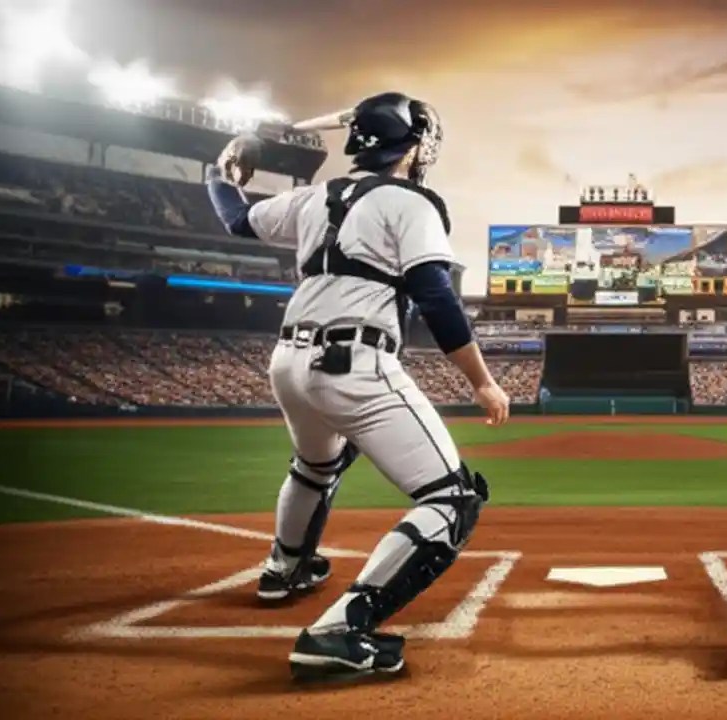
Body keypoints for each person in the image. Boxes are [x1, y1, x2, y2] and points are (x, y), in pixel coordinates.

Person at [205, 91, 510, 682]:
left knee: (316, 465)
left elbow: (236, 217)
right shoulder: (412, 202)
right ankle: (340, 631)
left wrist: (219, 173)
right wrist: (483, 382)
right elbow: (435, 294)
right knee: (452, 500)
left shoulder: (314, 196)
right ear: (413, 145)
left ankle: (286, 568)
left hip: (288, 362)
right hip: (355, 363)